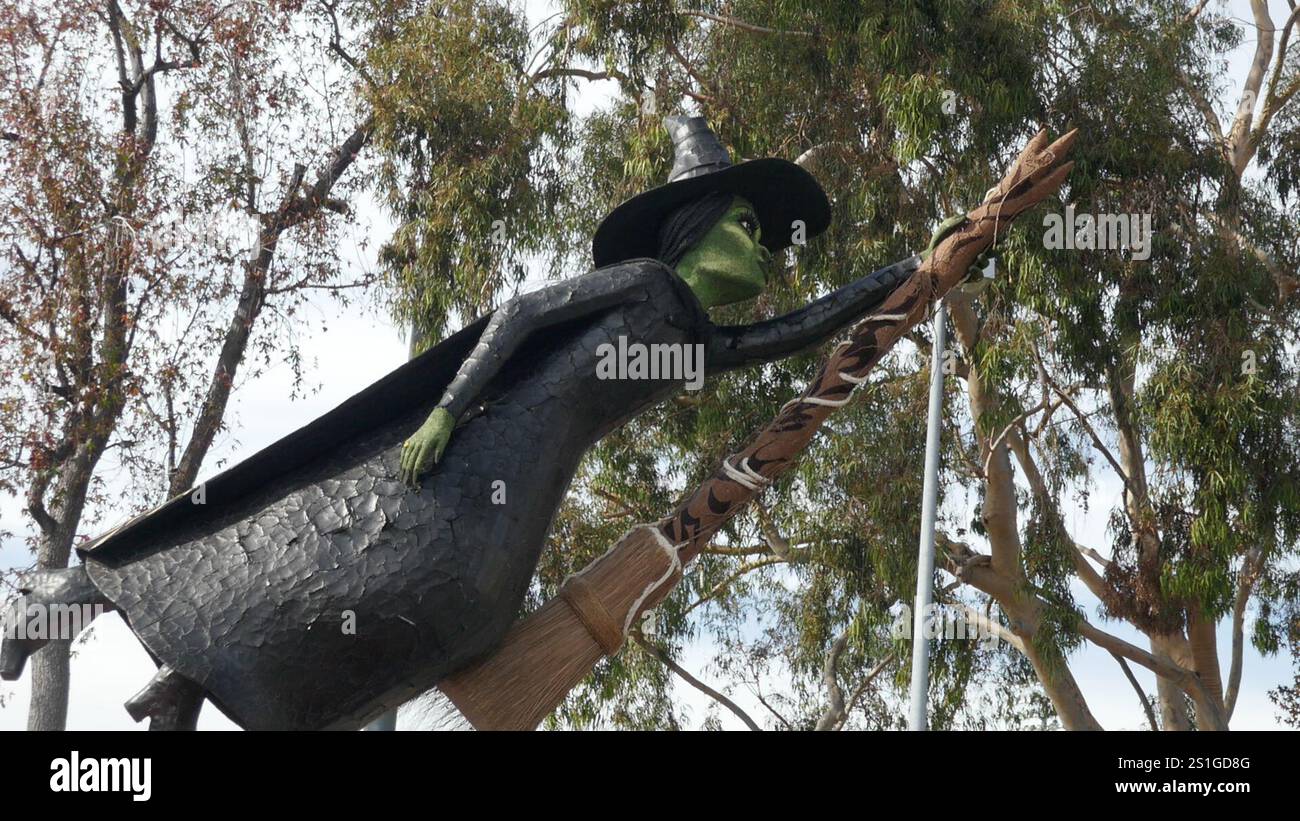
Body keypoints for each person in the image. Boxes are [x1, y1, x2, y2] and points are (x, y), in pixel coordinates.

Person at [0, 116, 979, 730]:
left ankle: (188, 694)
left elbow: (800, 329)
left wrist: (915, 269)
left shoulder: (695, 339)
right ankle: (58, 597)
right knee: (282, 552)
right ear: (693, 229)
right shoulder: (637, 283)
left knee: (458, 617)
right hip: (460, 466)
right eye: (744, 225)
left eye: (764, 240)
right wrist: (442, 415)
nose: (760, 250)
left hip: (512, 511)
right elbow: (517, 315)